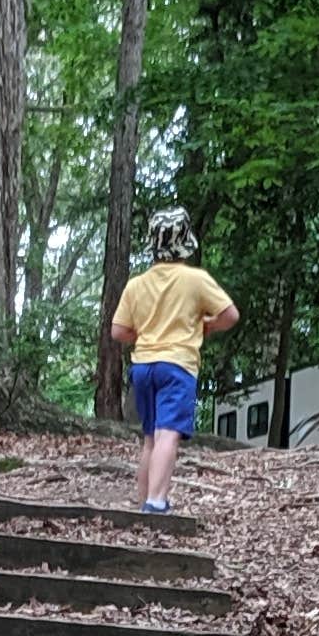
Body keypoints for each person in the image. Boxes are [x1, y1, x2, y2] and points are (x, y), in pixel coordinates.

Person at [106, 207, 239, 513]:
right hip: (177, 366)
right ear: (185, 242)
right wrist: (207, 325)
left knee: (151, 438)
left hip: (143, 368)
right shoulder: (195, 280)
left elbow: (118, 331)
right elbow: (230, 315)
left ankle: (144, 501)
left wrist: (146, 334)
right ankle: (156, 502)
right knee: (168, 433)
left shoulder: (136, 285)